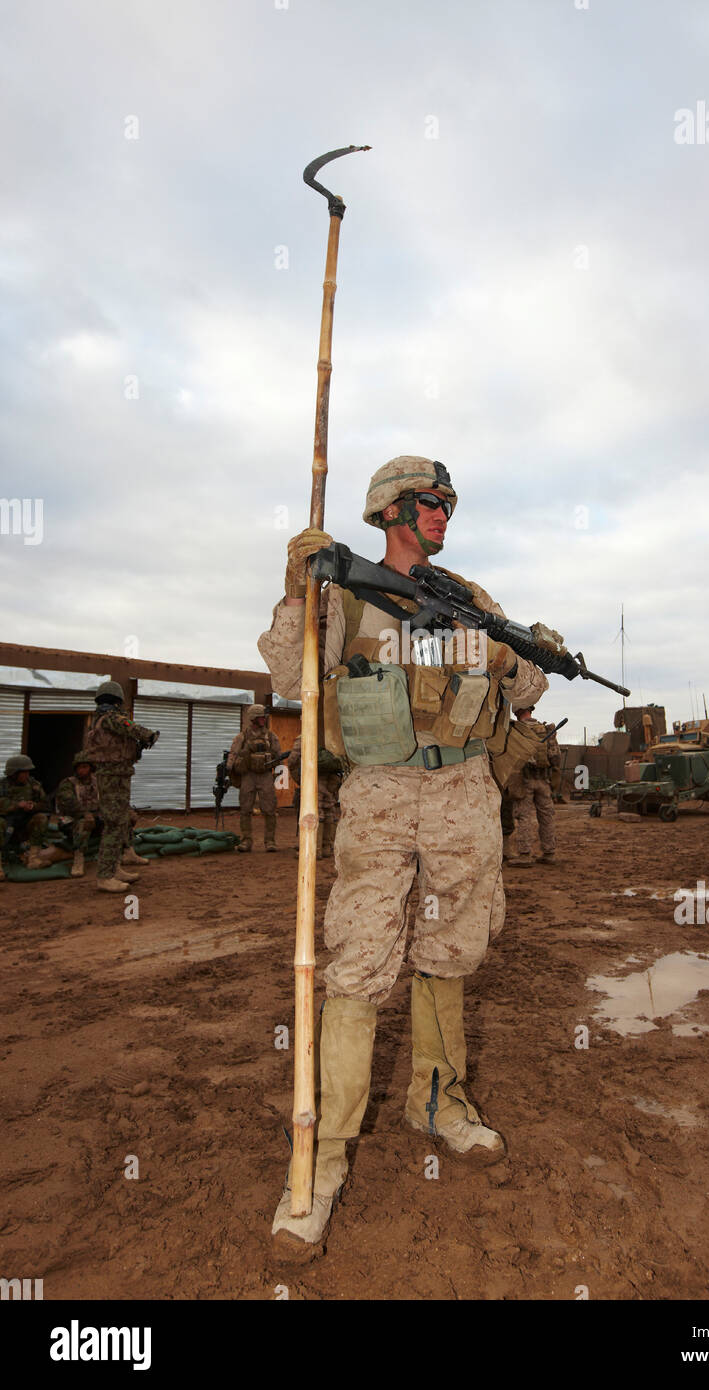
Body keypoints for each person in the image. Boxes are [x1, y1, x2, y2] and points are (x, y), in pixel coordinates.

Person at [257, 455, 548, 1257]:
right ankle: (319, 1163)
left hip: (463, 793)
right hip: (381, 796)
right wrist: (295, 590)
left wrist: (501, 658)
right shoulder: (343, 593)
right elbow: (290, 674)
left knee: (449, 954)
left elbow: (529, 691)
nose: (442, 514)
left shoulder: (474, 600)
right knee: (355, 962)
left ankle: (440, 1103)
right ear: (389, 511)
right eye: (429, 502)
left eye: (449, 503)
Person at [81, 681, 158, 894]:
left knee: (120, 820)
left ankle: (114, 868)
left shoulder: (99, 720)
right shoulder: (111, 719)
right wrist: (149, 735)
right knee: (114, 824)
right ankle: (105, 876)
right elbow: (132, 728)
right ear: (117, 700)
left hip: (117, 775)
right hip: (113, 777)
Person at [507, 706, 561, 865]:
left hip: (525, 780)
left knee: (524, 817)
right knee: (546, 817)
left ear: (516, 713)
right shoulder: (545, 730)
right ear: (531, 711)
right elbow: (555, 757)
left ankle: (524, 855)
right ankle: (549, 853)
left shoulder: (517, 731)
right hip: (544, 780)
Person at [227, 705, 281, 852]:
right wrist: (229, 771)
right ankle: (246, 841)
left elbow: (278, 756)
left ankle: (270, 841)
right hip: (248, 775)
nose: (263, 720)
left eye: (264, 717)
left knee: (270, 809)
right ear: (253, 718)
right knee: (245, 809)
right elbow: (233, 755)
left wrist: (277, 775)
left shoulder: (271, 736)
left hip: (265, 775)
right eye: (260, 717)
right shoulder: (242, 737)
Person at [287, 736, 343, 858]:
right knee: (329, 810)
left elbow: (292, 760)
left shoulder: (305, 735)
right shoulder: (331, 731)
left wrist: (301, 780)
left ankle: (315, 850)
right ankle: (327, 847)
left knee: (316, 811)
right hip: (332, 780)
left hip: (314, 779)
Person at [0, 754, 51, 875]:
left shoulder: (34, 785)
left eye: (28, 772)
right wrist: (16, 805)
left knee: (41, 819)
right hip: (6, 823)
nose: (27, 775)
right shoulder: (2, 786)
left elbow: (46, 805)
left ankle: (33, 859)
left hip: (24, 824)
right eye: (24, 772)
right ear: (14, 773)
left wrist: (33, 806)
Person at [55, 752, 102, 877]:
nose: (82, 770)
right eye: (79, 767)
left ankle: (126, 851)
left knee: (119, 818)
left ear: (91, 768)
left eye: (85, 767)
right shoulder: (68, 783)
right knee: (83, 823)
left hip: (96, 818)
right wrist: (84, 814)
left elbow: (109, 799)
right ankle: (78, 858)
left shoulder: (98, 782)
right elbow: (69, 804)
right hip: (72, 821)